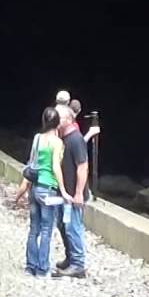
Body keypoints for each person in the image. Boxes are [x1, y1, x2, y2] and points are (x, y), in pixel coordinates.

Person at [16, 106, 67, 277]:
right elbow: (55, 167)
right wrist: (64, 190)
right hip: (48, 189)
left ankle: (30, 266)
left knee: (34, 229)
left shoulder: (37, 138)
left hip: (35, 187)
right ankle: (42, 269)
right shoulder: (57, 142)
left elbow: (31, 163)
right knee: (46, 230)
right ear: (57, 123)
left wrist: (24, 187)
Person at [53, 103, 90, 278]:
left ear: (68, 120)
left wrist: (78, 193)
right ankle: (70, 258)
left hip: (73, 195)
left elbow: (82, 167)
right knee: (62, 225)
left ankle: (78, 264)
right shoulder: (62, 138)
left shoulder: (76, 139)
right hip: (64, 194)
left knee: (72, 227)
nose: (55, 120)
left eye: (59, 117)